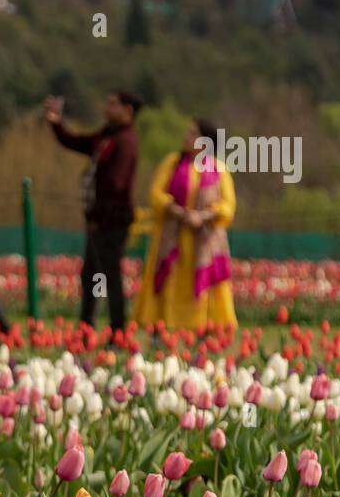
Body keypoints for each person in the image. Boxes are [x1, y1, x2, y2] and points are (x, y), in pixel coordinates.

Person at [43, 91, 141, 333]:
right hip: (98, 222)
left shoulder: (125, 141)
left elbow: (115, 185)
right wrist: (56, 123)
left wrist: (99, 216)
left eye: (112, 104)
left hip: (111, 223)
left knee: (109, 278)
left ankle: (117, 331)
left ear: (128, 110)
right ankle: (86, 329)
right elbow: (76, 142)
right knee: (91, 277)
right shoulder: (107, 136)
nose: (106, 108)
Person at [133, 119, 237, 329]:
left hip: (204, 241)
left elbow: (228, 206)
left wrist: (205, 216)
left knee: (204, 285)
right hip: (173, 238)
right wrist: (175, 210)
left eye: (193, 134)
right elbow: (155, 193)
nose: (186, 138)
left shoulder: (218, 169)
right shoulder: (172, 163)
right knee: (169, 281)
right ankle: (162, 328)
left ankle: (203, 329)